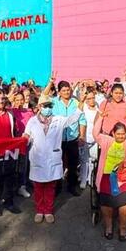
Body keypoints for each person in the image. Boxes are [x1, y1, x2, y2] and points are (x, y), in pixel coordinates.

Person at [23, 95, 84, 223]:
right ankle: (40, 210)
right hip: (38, 159)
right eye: (46, 106)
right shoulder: (32, 121)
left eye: (50, 106)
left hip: (52, 158)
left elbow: (72, 119)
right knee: (39, 187)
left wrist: (81, 103)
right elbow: (27, 135)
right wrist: (25, 138)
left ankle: (49, 210)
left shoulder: (58, 120)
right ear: (39, 107)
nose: (48, 108)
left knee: (50, 187)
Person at [92, 118, 126, 241]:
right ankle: (109, 227)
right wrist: (100, 118)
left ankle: (123, 228)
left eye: (123, 134)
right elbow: (95, 134)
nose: (121, 136)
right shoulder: (106, 140)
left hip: (123, 176)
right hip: (107, 174)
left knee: (124, 201)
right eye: (118, 134)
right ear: (113, 134)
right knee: (105, 201)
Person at [49, 79, 87, 197]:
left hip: (72, 139)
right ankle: (57, 186)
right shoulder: (53, 102)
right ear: (59, 92)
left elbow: (82, 120)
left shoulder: (75, 102)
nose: (66, 92)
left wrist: (81, 136)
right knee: (57, 163)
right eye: (63, 90)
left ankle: (71, 186)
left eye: (68, 90)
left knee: (73, 164)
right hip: (57, 139)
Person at [78, 88, 101, 190]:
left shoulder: (99, 109)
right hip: (85, 137)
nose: (91, 100)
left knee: (93, 160)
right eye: (89, 98)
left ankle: (91, 179)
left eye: (92, 98)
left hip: (95, 138)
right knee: (84, 160)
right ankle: (83, 179)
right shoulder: (84, 109)